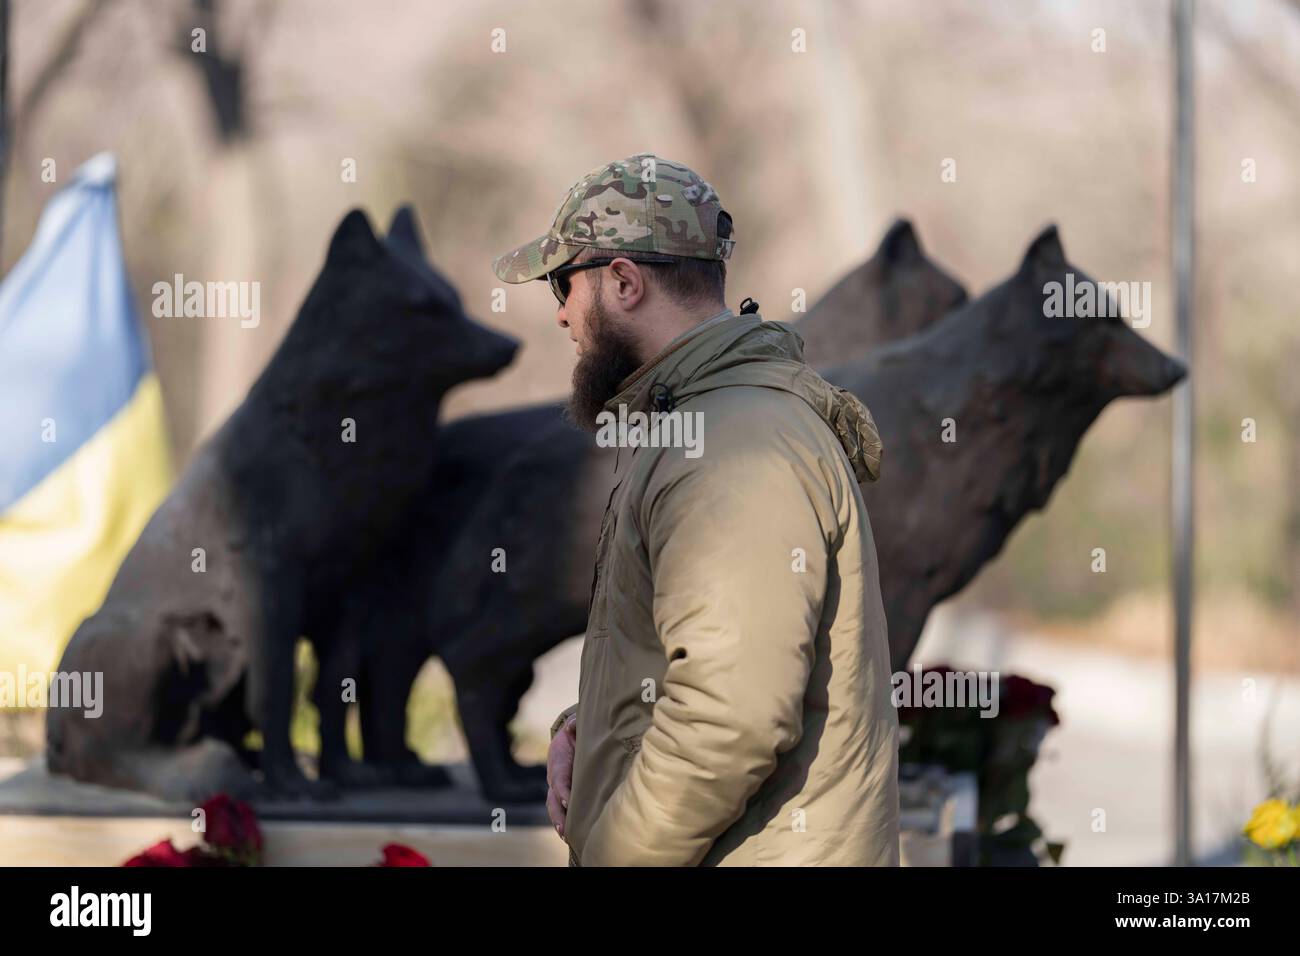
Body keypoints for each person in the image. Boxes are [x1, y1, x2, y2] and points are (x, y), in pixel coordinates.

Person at [491, 153, 899, 866]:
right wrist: (590, 731)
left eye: (564, 284)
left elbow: (731, 716)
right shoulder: (705, 423)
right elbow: (698, 654)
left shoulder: (732, 444)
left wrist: (614, 853)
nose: (560, 313)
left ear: (622, 281)